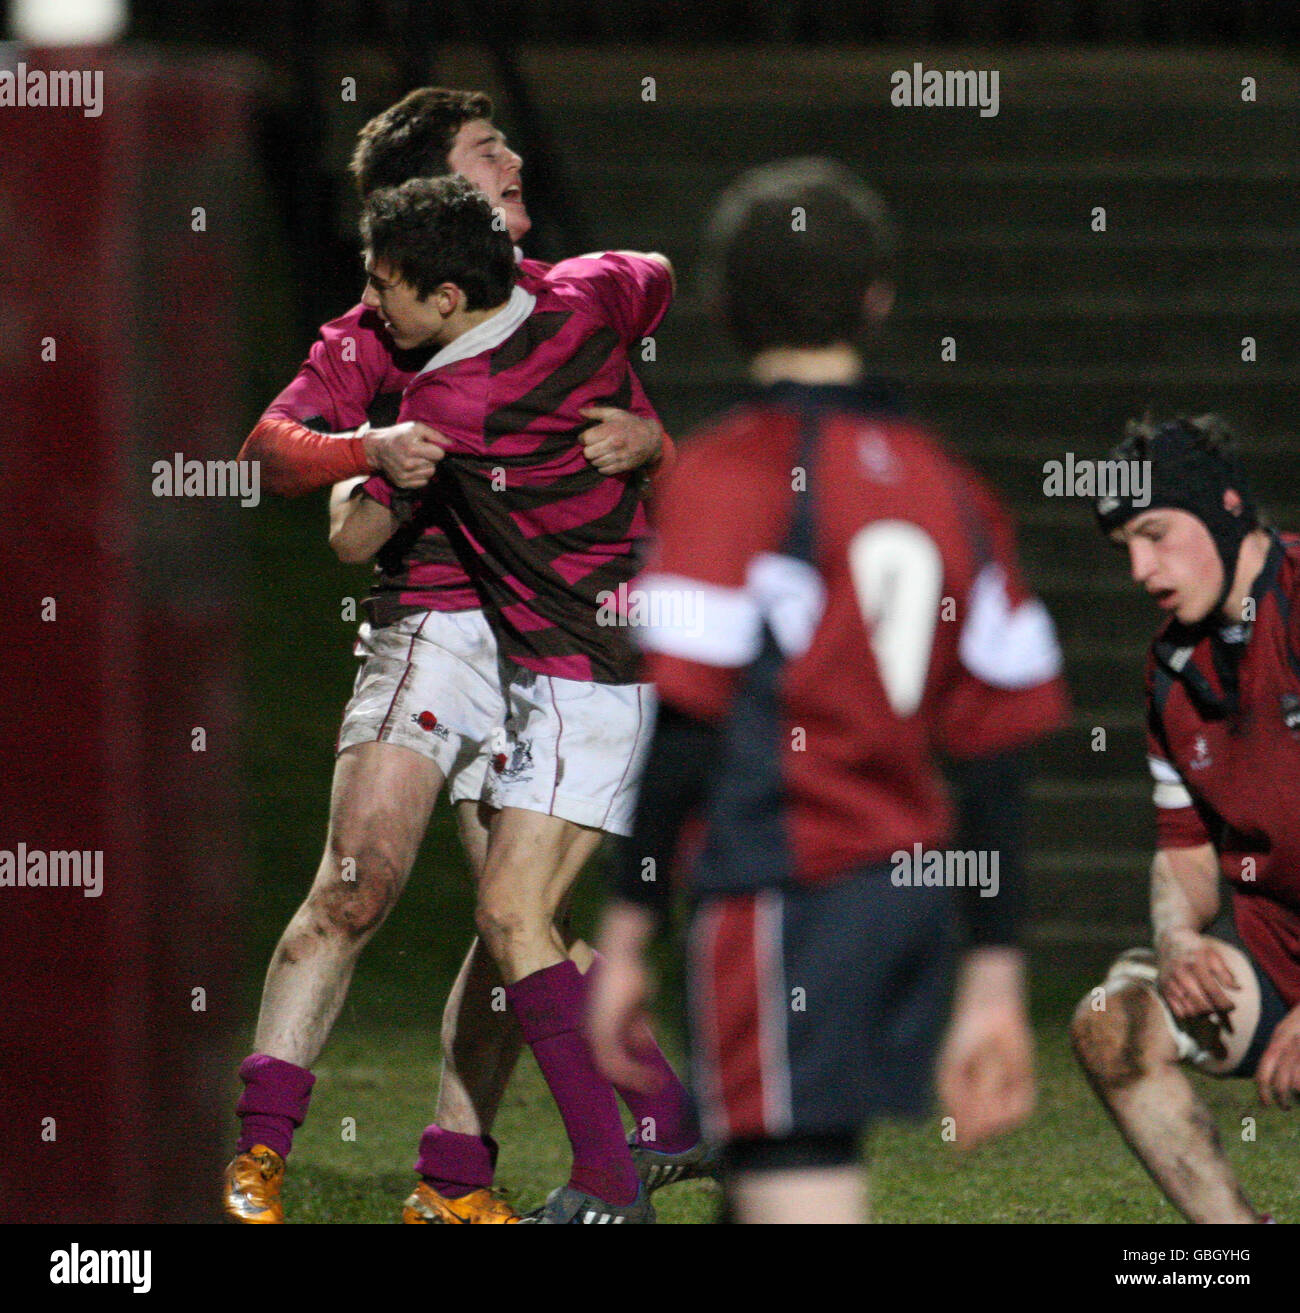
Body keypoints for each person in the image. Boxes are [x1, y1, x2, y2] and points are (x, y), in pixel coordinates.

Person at [585, 157, 1070, 1224]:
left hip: (782, 890)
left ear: (719, 306)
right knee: (765, 1177)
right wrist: (994, 971)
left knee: (797, 1183)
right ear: (878, 301)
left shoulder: (730, 470)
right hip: (900, 901)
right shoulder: (952, 485)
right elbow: (995, 751)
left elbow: (689, 726)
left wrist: (625, 928)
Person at [223, 88, 673, 1225]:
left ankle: (455, 1175)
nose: (515, 156)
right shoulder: (378, 335)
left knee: (511, 917)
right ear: (431, 199)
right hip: (443, 620)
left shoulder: (565, 295)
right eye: (488, 151)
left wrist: (655, 438)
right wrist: (370, 456)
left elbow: (646, 307)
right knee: (364, 878)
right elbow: (291, 469)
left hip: (562, 640)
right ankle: (261, 1151)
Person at [330, 174, 705, 1224]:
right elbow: (658, 274)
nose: (371, 306)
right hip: (599, 657)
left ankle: (611, 1175)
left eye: (385, 287)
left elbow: (354, 538)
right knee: (519, 916)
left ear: (449, 300)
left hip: (594, 669)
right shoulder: (587, 296)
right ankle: (663, 1119)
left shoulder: (447, 404)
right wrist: (639, 415)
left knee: (511, 912)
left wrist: (361, 455)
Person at [1070, 415, 1300, 1223]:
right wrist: (1175, 937)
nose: (1140, 568)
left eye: (1156, 534)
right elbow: (1185, 847)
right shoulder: (1173, 667)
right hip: (1280, 964)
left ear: (1226, 508)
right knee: (1110, 1024)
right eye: (1125, 546)